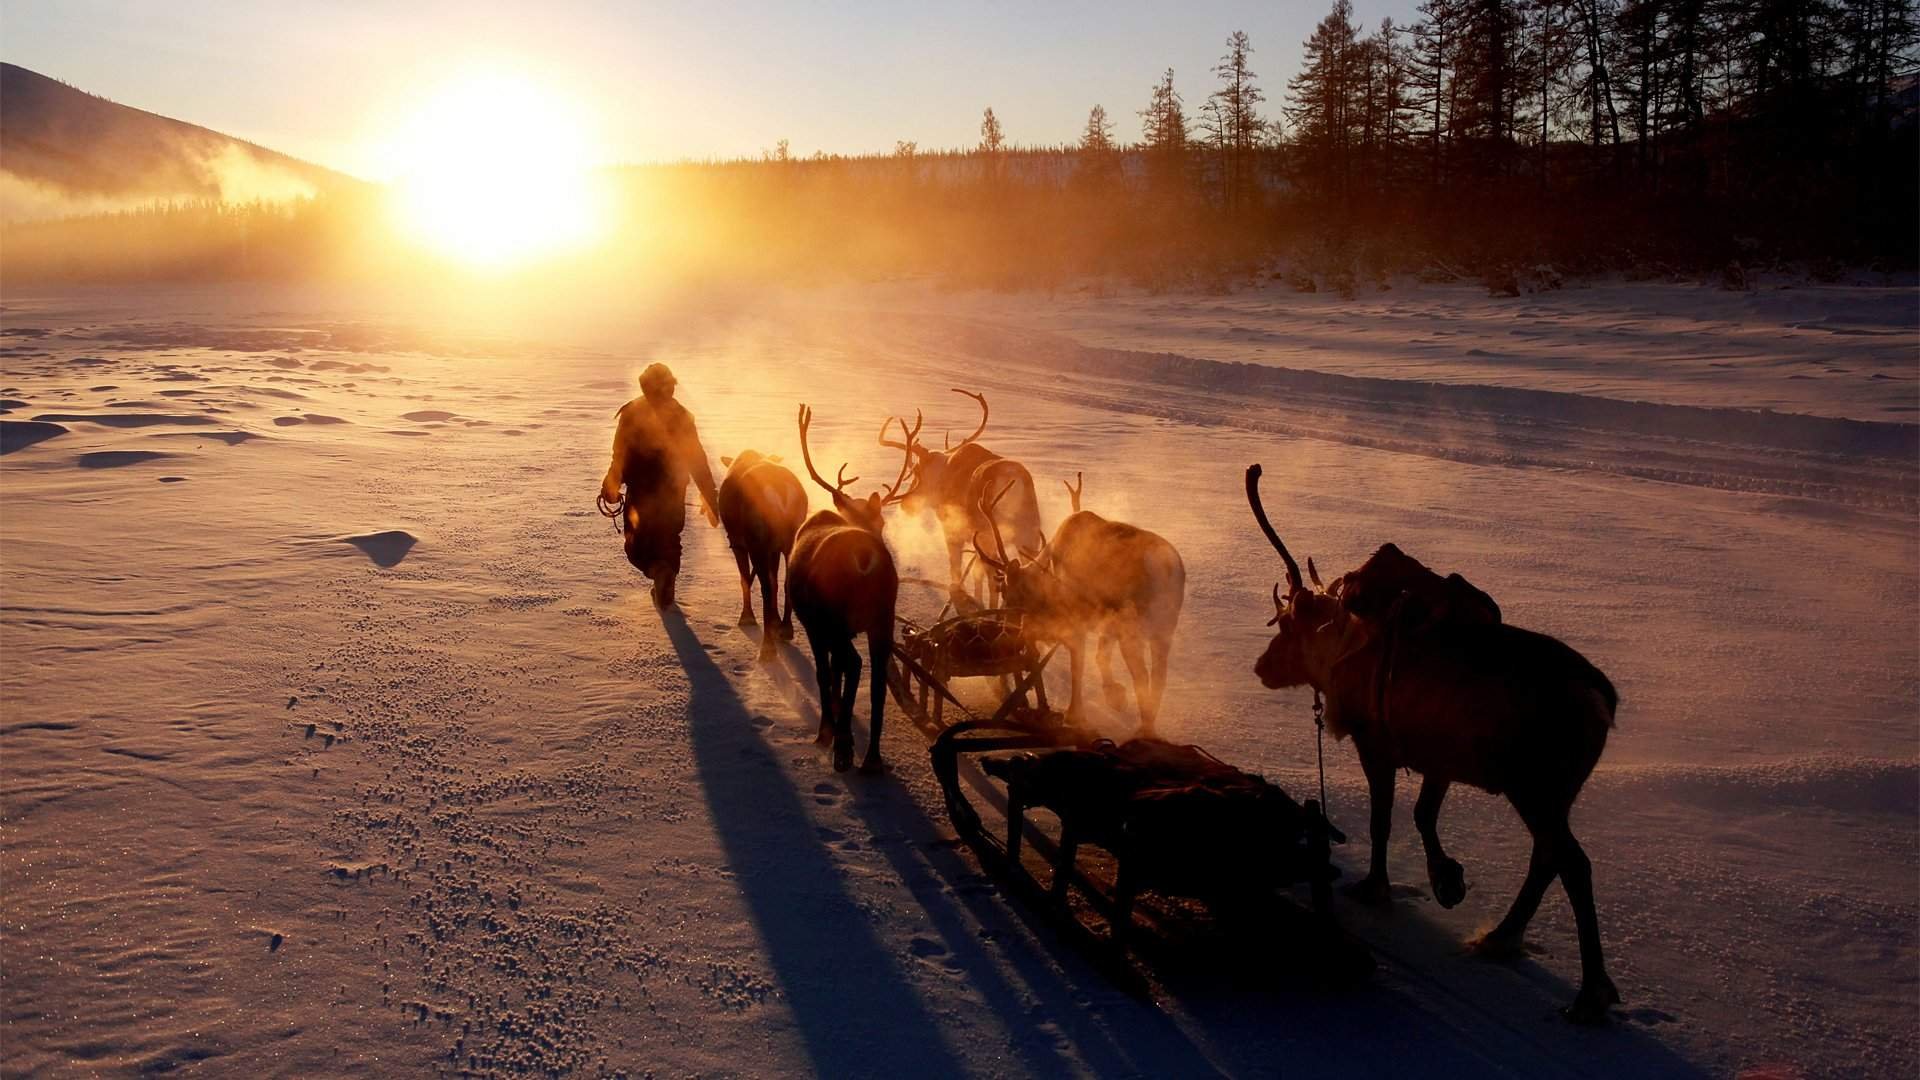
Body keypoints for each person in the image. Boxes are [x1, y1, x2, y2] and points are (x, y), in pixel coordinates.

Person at [598, 362, 720, 607]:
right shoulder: (682, 416)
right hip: (674, 492)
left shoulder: (632, 412)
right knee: (669, 539)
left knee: (636, 542)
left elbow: (620, 455)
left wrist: (611, 486)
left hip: (640, 493)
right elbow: (696, 458)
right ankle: (665, 574)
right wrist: (710, 494)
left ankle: (657, 572)